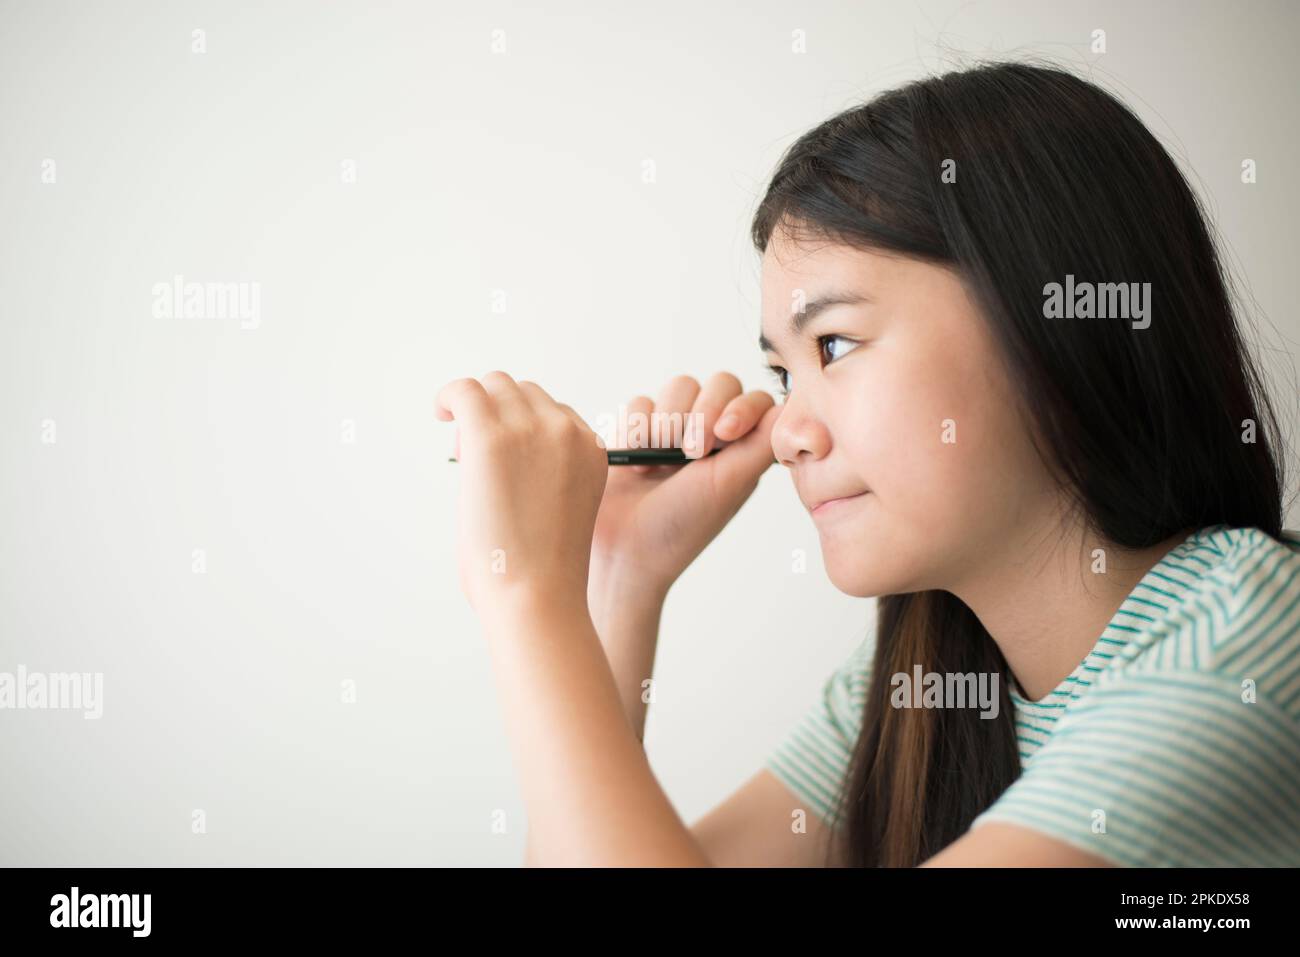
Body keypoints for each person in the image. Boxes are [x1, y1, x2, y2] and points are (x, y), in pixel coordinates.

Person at [435, 59, 1300, 867]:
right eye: (783, 371)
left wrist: (530, 602)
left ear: (1052, 325)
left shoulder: (1246, 643)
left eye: (835, 343)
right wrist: (620, 578)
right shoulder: (918, 678)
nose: (786, 431)